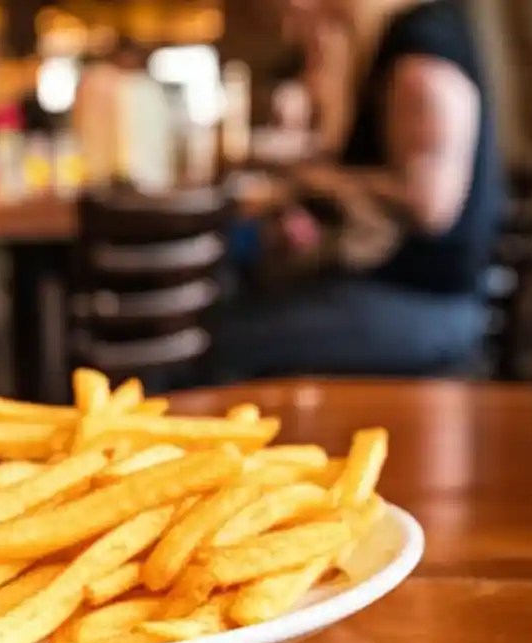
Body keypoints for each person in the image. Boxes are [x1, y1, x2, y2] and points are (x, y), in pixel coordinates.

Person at [210, 0, 503, 381]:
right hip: (406, 293)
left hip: (424, 304)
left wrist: (305, 179)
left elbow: (431, 204)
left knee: (211, 341)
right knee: (236, 298)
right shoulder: (387, 41)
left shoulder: (421, 45)